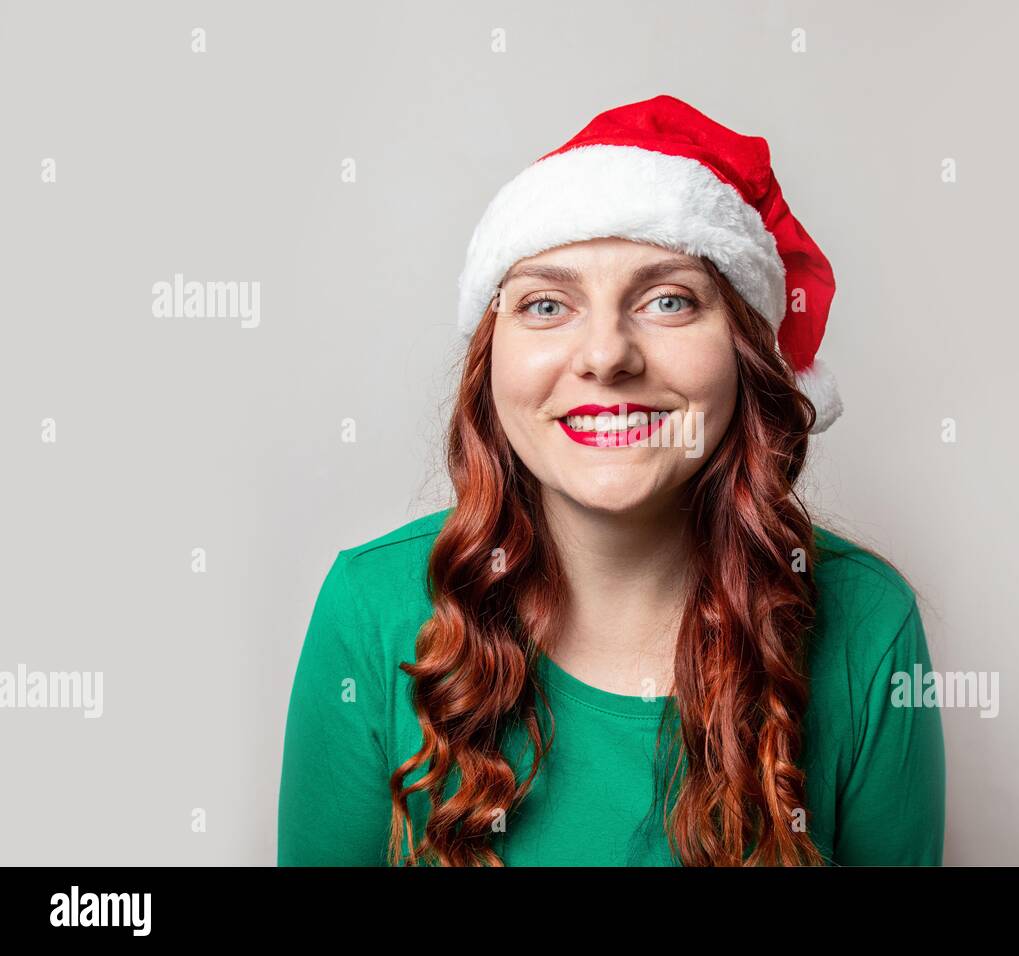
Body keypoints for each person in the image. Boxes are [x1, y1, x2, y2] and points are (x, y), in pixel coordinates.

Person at [277, 94, 945, 866]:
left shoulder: (868, 625)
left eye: (668, 300)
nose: (605, 355)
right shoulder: (370, 610)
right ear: (491, 363)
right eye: (546, 304)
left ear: (745, 355)